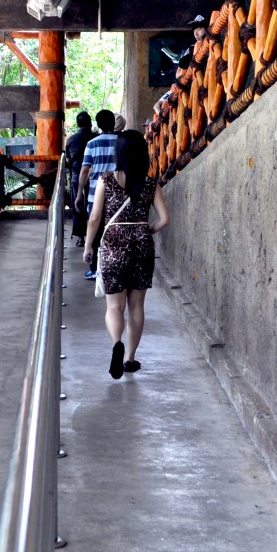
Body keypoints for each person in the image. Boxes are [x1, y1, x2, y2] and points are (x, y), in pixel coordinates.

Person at [84, 129, 169, 379]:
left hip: (112, 245)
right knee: (136, 305)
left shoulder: (106, 180)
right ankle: (130, 359)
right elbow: (165, 219)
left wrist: (89, 246)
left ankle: (116, 344)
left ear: (118, 153)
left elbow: (95, 217)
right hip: (142, 244)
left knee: (114, 306)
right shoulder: (150, 183)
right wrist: (147, 230)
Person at [77, 109, 118, 279]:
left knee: (95, 231)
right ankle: (115, 267)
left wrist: (79, 192)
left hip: (95, 194)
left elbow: (85, 170)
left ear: (98, 125)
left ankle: (95, 270)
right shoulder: (121, 142)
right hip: (118, 194)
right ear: (113, 123)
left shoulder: (92, 144)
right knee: (115, 231)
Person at [63, 111, 95, 246]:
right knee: (95, 205)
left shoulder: (71, 140)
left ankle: (81, 237)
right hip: (95, 176)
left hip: (77, 177)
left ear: (78, 124)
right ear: (90, 123)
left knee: (78, 205)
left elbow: (68, 160)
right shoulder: (96, 137)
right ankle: (96, 236)